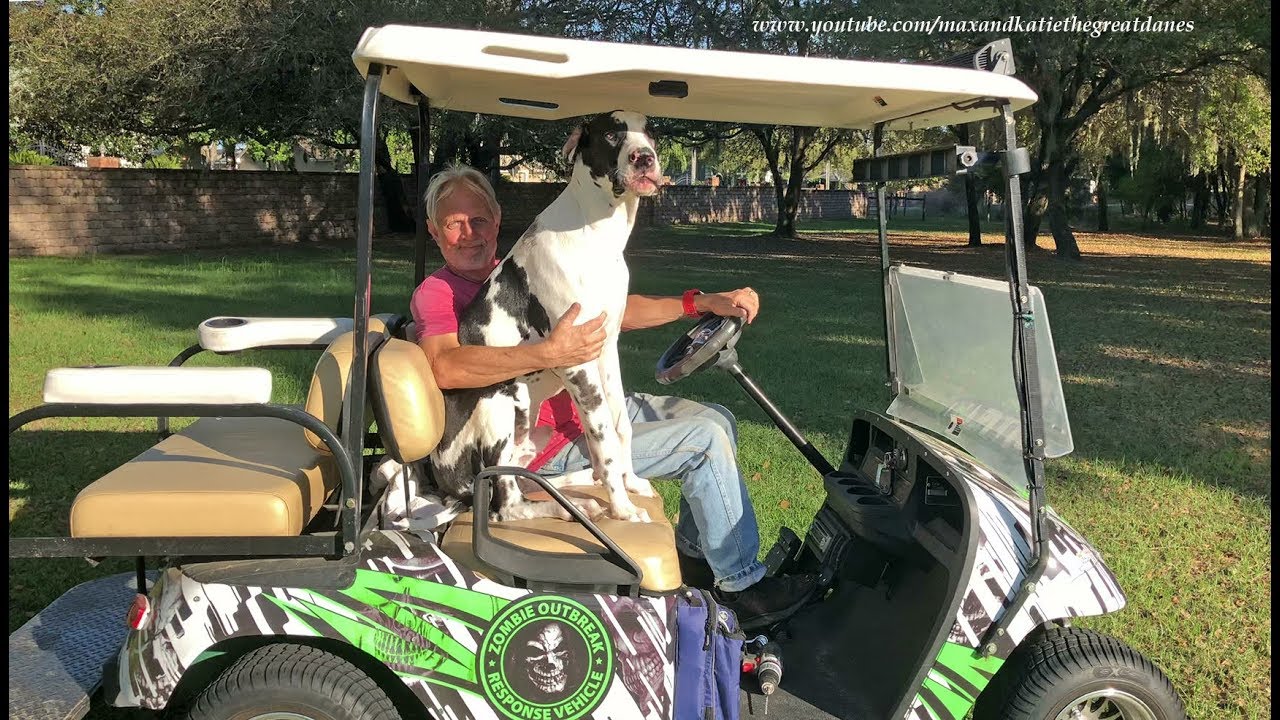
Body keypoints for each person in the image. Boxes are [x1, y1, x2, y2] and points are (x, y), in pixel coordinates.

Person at [411, 164, 815, 629]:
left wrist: (698, 303)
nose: (468, 234)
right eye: (453, 223)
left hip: (587, 407)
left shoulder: (520, 270)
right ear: (434, 231)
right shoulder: (439, 293)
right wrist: (547, 352)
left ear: (498, 221)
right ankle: (746, 590)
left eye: (478, 220)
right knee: (704, 442)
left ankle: (699, 555)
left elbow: (610, 314)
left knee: (719, 417)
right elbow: (446, 366)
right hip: (546, 444)